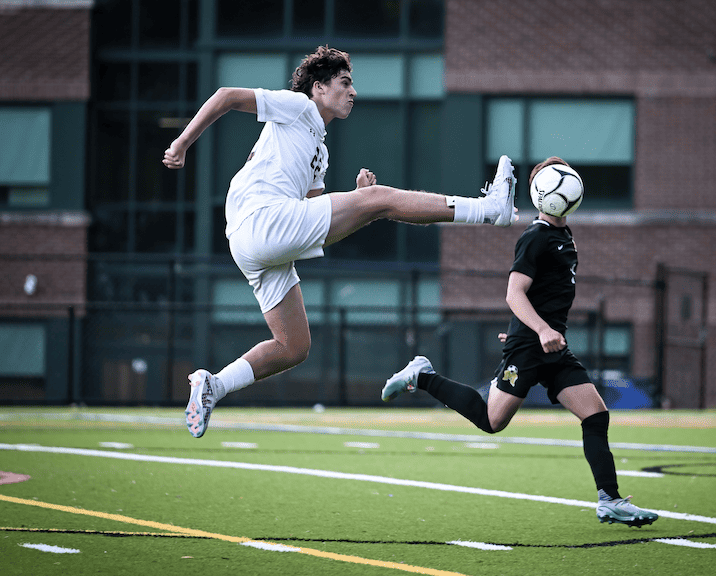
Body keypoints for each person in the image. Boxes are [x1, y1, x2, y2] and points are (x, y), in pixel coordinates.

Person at [163, 46, 516, 438]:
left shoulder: (320, 149)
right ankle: (489, 209)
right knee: (380, 200)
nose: (353, 92)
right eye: (345, 83)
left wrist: (356, 198)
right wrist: (181, 143)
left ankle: (214, 385)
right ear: (318, 88)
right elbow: (226, 96)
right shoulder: (296, 106)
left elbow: (313, 211)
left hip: (255, 240)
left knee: (293, 346)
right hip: (260, 222)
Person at [381, 156, 658, 528]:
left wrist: (532, 330)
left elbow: (538, 297)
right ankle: (423, 374)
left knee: (595, 415)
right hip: (533, 347)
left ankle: (609, 500)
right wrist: (536, 332)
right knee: (491, 421)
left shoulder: (562, 234)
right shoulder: (536, 236)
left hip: (551, 347)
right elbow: (514, 293)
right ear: (547, 192)